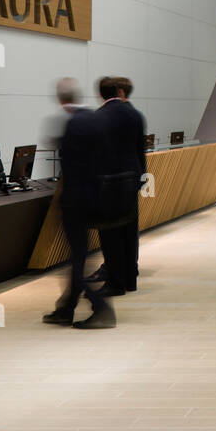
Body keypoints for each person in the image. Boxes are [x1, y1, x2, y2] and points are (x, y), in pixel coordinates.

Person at [42, 80, 116, 329]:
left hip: (76, 201)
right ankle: (66, 308)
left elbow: (70, 167)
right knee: (80, 256)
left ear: (61, 99)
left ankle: (101, 308)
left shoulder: (70, 124)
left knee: (77, 258)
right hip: (97, 198)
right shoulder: (96, 119)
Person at [94, 76, 147, 294]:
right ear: (120, 92)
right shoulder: (135, 115)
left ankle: (114, 281)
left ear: (102, 94)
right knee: (129, 228)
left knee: (110, 231)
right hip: (131, 178)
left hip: (107, 181)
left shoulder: (98, 117)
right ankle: (130, 277)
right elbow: (139, 150)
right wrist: (141, 177)